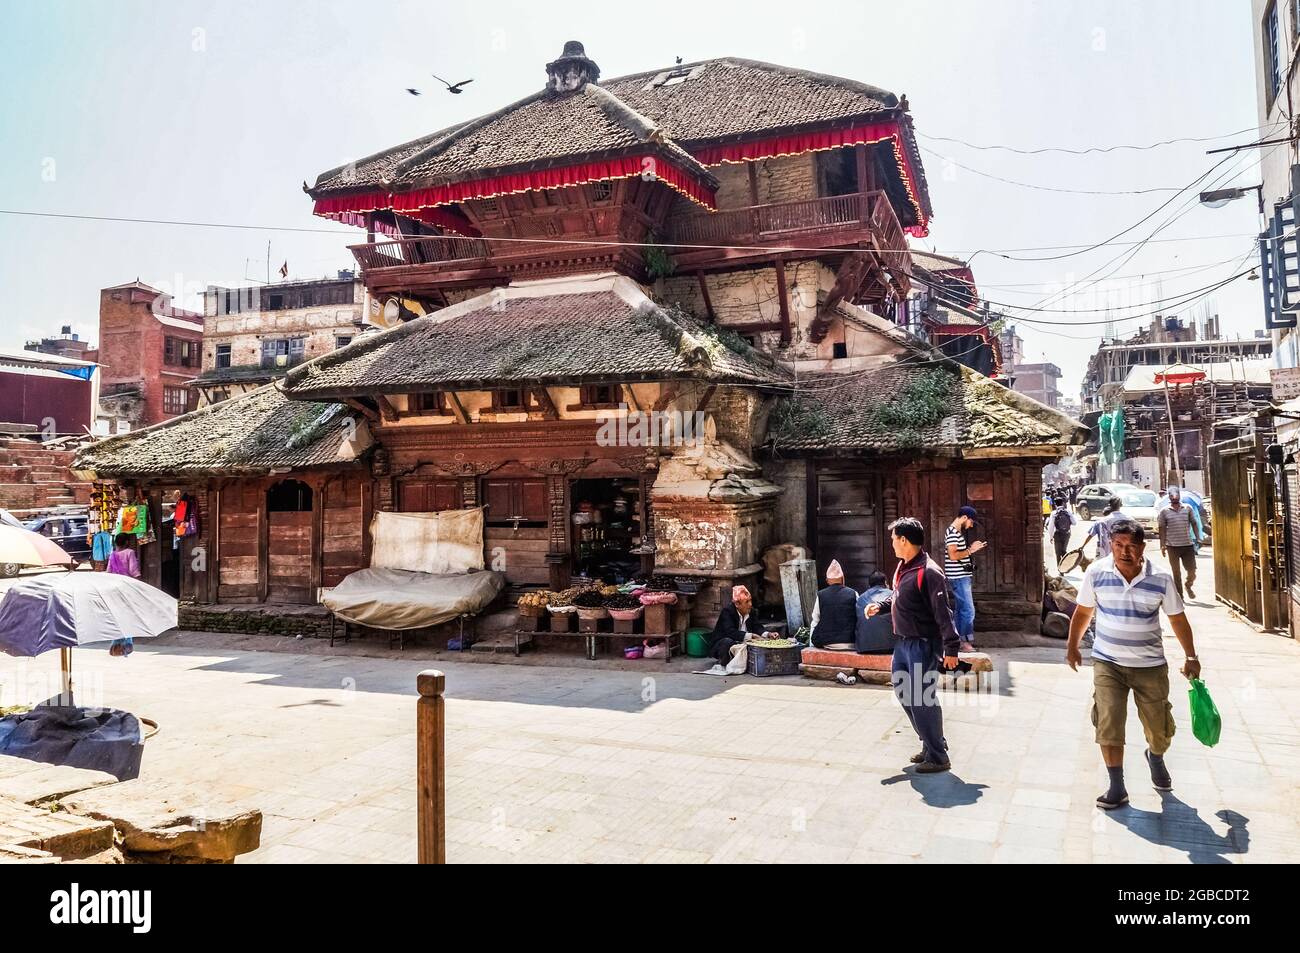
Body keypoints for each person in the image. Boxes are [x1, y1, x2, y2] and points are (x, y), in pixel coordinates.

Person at [1066, 518, 1201, 810]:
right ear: (1111, 545)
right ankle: (1117, 786)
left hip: (1150, 665)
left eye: (1130, 546)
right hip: (1107, 662)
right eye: (1118, 545)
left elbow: (1177, 618)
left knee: (1158, 728)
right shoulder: (1096, 573)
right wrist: (1072, 646)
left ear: (1142, 547)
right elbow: (1083, 611)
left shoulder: (1161, 578)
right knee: (1108, 722)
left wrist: (1191, 657)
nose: (1124, 551)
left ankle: (1156, 755)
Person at [865, 518, 961, 773]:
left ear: (904, 540)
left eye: (894, 539)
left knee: (922, 699)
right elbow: (898, 597)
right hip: (903, 644)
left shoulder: (929, 572)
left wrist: (951, 648)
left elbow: (944, 613)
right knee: (904, 694)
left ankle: (938, 757)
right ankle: (931, 743)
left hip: (923, 645)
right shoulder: (903, 567)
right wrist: (881, 606)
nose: (892, 543)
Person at [944, 505, 986, 653]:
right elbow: (953, 555)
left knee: (961, 610)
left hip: (961, 576)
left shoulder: (955, 532)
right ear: (964, 518)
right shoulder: (952, 533)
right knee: (968, 610)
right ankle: (965, 643)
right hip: (958, 577)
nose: (971, 525)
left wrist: (970, 549)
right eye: (971, 522)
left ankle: (959, 641)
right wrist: (970, 550)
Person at [1157, 487, 1200, 599]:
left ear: (1179, 496)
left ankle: (1188, 585)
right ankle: (1180, 596)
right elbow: (1162, 528)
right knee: (1176, 573)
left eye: (1176, 495)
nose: (1174, 497)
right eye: (1171, 495)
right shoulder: (1164, 511)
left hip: (1187, 545)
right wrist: (1162, 545)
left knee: (1192, 571)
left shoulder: (1187, 508)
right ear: (1169, 496)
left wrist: (1198, 537)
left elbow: (1194, 523)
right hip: (1172, 546)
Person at [707, 584, 763, 664]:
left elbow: (757, 626)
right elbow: (730, 632)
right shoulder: (727, 612)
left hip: (741, 644)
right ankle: (724, 661)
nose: (750, 604)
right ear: (737, 604)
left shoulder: (751, 611)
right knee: (727, 642)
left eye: (750, 600)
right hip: (722, 645)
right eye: (747, 602)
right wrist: (751, 636)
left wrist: (767, 634)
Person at [809, 560, 859, 649]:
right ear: (843, 579)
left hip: (827, 642)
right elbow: (859, 617)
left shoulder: (821, 595)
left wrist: (811, 645)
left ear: (827, 581)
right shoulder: (853, 593)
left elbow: (815, 620)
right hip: (851, 641)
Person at [105, 533, 140, 657]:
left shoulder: (112, 555)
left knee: (117, 615)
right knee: (127, 615)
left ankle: (116, 645)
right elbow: (133, 570)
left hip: (114, 588)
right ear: (126, 542)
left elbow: (108, 572)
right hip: (126, 587)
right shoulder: (129, 553)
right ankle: (126, 644)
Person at [855, 571, 893, 653]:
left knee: (918, 665)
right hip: (891, 647)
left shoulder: (860, 598)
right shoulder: (893, 596)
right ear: (885, 583)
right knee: (918, 664)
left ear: (869, 585)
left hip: (865, 647)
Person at [1045, 497, 1077, 566]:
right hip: (1067, 534)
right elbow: (1074, 522)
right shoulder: (1068, 511)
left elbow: (1051, 527)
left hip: (1058, 534)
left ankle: (1060, 569)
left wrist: (1051, 537)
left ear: (1055, 504)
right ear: (1063, 503)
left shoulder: (1054, 513)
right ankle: (1067, 565)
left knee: (1058, 553)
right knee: (1064, 550)